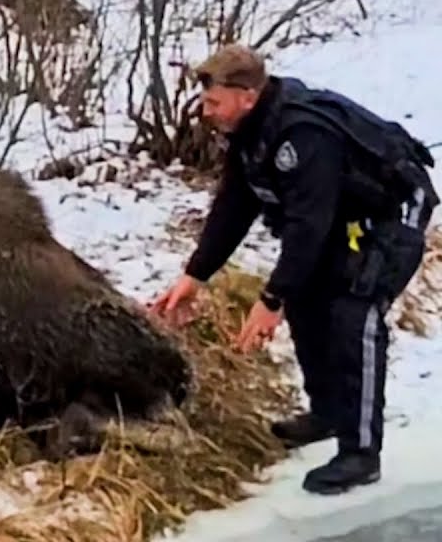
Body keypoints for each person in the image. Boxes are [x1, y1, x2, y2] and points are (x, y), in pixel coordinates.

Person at [150, 44, 437, 495]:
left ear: (247, 96)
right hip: (336, 214)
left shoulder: (303, 135)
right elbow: (234, 206)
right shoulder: (250, 133)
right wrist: (195, 275)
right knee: (306, 298)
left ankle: (360, 453)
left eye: (213, 102)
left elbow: (308, 227)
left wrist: (271, 300)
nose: (205, 113)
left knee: (354, 312)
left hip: (391, 209)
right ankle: (327, 412)